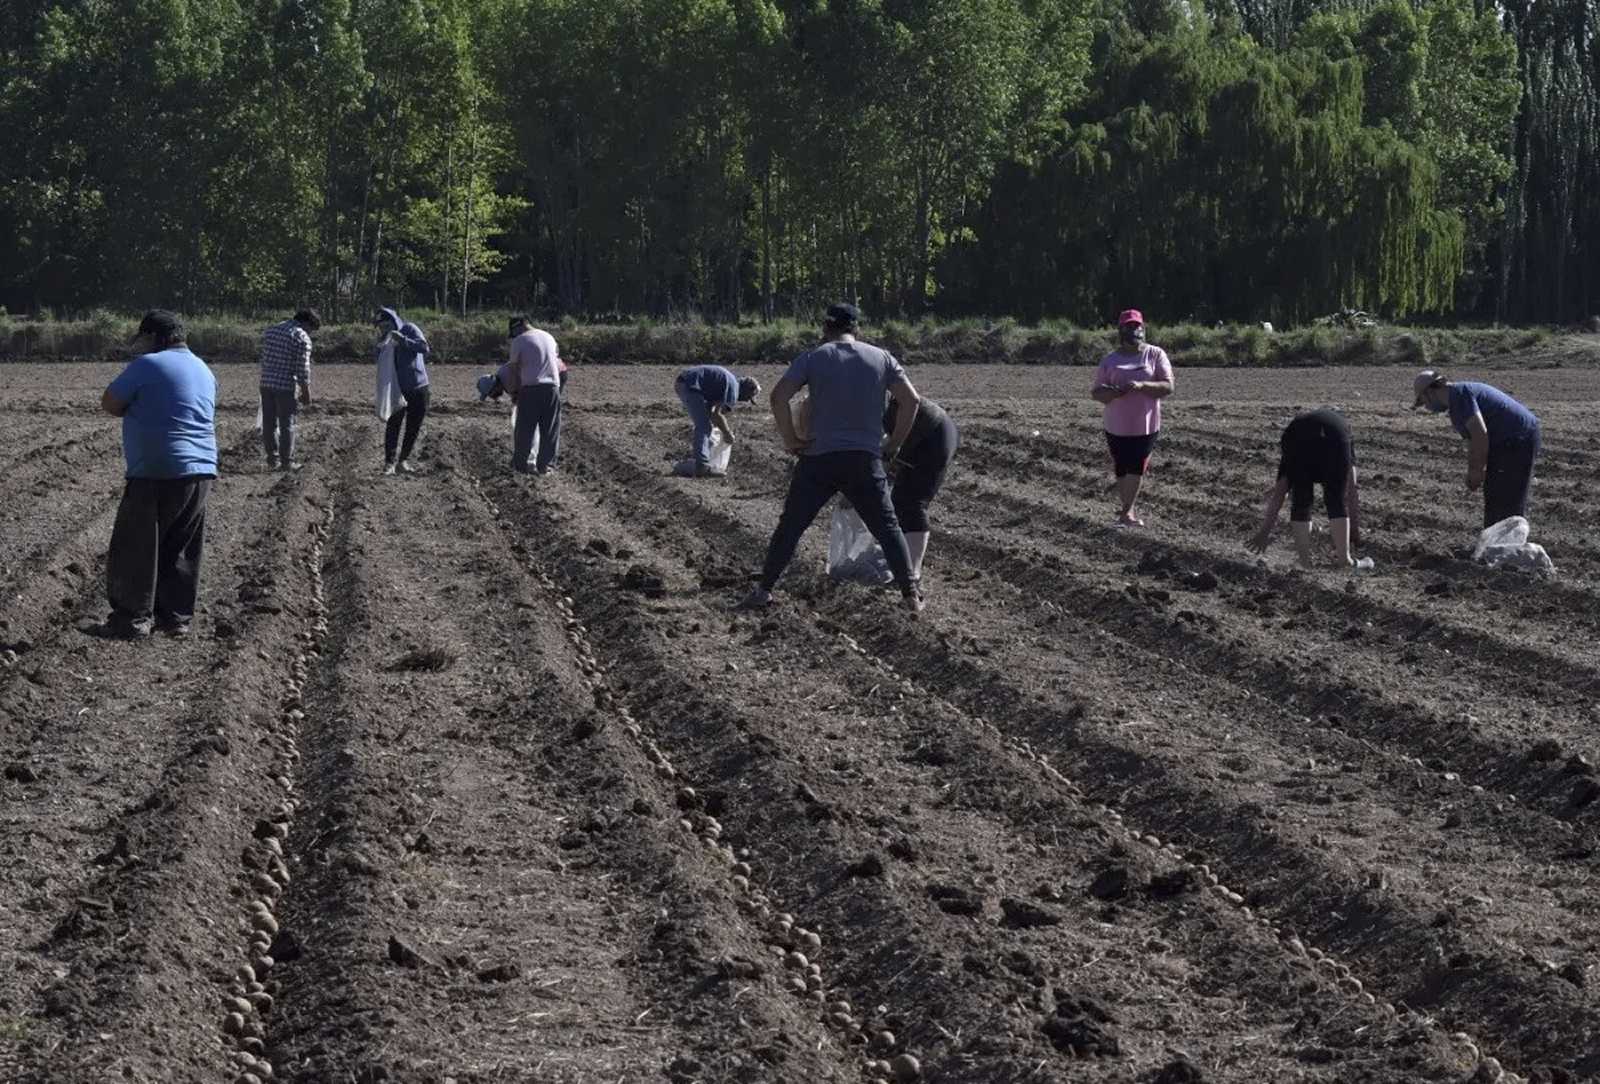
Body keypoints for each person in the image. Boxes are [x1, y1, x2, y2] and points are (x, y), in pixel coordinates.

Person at [738, 303, 923, 613]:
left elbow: (778, 397)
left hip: (818, 458)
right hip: (864, 459)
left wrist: (792, 439)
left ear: (826, 328)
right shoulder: (881, 358)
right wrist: (892, 445)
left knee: (791, 526)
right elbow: (911, 400)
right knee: (888, 527)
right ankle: (910, 596)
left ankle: (763, 590)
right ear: (856, 328)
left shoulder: (813, 357)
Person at [99, 310, 218, 639]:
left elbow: (110, 402)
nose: (140, 346)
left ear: (153, 337)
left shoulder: (147, 365)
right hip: (201, 471)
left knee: (137, 545)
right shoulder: (204, 369)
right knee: (180, 546)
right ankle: (175, 619)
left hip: (157, 469)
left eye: (142, 339)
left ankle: (131, 620)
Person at [1412, 370, 1541, 527]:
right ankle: (1494, 542)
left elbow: (1480, 434)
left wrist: (1476, 471)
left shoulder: (1459, 396)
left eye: (1423, 401)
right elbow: (1474, 440)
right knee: (1495, 492)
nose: (1426, 407)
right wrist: (1477, 468)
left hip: (1517, 437)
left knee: (1506, 495)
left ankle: (1508, 544)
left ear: (1429, 392)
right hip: (1508, 439)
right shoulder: (1458, 397)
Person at [1247, 408, 1362, 568]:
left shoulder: (1295, 434)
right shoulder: (1343, 429)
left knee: (1301, 500)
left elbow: (1279, 493)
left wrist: (1264, 532)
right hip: (1335, 439)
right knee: (1335, 498)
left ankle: (1305, 562)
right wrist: (1354, 529)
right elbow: (1351, 490)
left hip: (1297, 436)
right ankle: (1345, 560)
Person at [1090, 308, 1174, 526]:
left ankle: (1126, 513)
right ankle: (1127, 510)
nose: (1134, 330)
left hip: (1145, 426)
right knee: (1121, 467)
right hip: (1116, 425)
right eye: (1129, 326)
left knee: (1137, 467)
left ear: (1143, 328)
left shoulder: (1155, 355)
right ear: (1121, 330)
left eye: (1137, 326)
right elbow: (1096, 392)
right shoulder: (1109, 360)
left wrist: (1142, 385)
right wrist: (1113, 392)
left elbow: (1168, 386)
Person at [884, 394, 958, 579]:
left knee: (912, 502)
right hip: (918, 437)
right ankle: (902, 565)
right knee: (900, 500)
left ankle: (911, 573)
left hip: (933, 435)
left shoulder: (868, 397)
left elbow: (878, 448)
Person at [499, 315, 562, 474]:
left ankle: (520, 465)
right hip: (553, 388)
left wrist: (514, 391)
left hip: (531, 388)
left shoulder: (519, 341)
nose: (514, 337)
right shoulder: (549, 336)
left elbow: (513, 370)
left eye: (513, 333)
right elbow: (558, 363)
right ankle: (545, 466)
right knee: (550, 430)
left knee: (525, 429)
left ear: (517, 328)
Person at [258, 308, 319, 471]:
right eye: (311, 329)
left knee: (269, 423)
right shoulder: (301, 336)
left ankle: (272, 460)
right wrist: (306, 391)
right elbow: (302, 368)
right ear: (307, 323)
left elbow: (264, 357)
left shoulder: (272, 330)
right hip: (285, 385)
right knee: (287, 423)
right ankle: (287, 462)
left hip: (266, 382)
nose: (310, 332)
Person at [674, 364, 761, 477]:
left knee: (706, 425)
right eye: (748, 398)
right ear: (746, 391)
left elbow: (710, 412)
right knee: (704, 426)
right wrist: (727, 433)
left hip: (685, 381)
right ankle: (702, 466)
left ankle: (702, 460)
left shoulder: (730, 382)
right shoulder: (733, 390)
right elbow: (717, 415)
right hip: (689, 384)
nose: (745, 401)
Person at [375, 307, 431, 474]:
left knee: (413, 426)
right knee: (393, 425)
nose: (384, 329)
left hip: (418, 388)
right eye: (381, 327)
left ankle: (403, 461)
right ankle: (389, 464)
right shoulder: (385, 340)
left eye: (386, 325)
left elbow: (424, 348)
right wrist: (380, 345)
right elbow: (379, 360)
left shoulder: (410, 329)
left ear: (393, 321)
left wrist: (404, 340)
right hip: (397, 389)